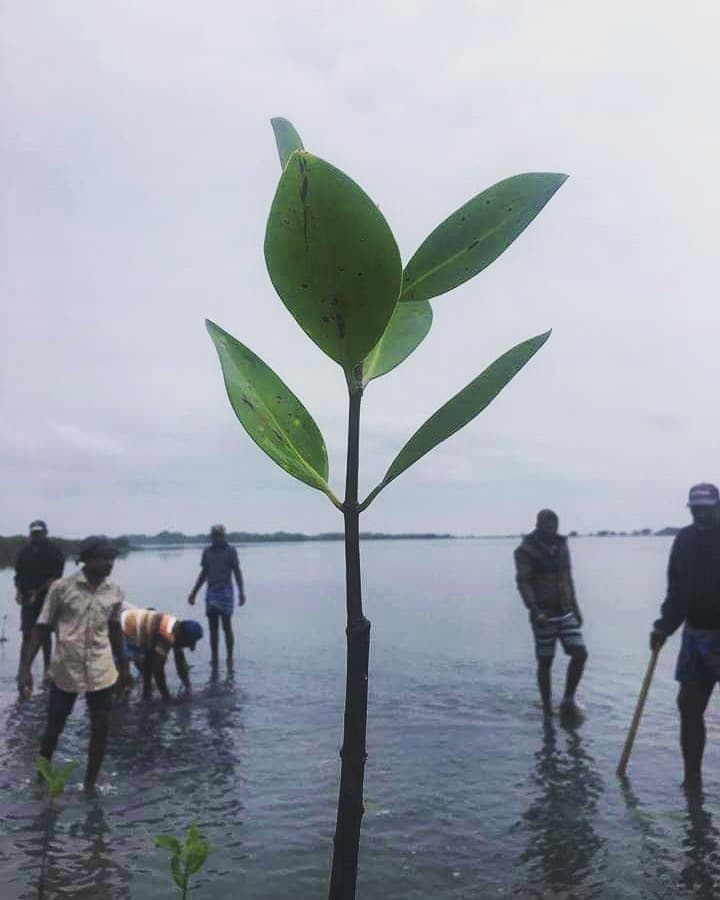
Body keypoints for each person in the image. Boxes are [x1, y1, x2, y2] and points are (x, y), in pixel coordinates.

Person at [17, 535, 132, 792]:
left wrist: (124, 668)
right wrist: (26, 668)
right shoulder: (61, 588)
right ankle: (40, 777)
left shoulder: (115, 591)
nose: (109, 563)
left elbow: (115, 630)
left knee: (101, 727)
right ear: (87, 559)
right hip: (66, 667)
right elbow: (42, 627)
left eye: (112, 559)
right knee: (54, 726)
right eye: (103, 558)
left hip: (101, 669)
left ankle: (90, 786)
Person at [650, 483, 720, 791]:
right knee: (688, 706)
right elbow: (677, 591)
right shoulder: (685, 539)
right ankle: (692, 778)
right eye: (696, 509)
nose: (701, 514)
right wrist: (664, 626)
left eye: (707, 508)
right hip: (696, 633)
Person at [514, 509, 587, 718]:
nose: (551, 529)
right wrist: (534, 610)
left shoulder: (562, 545)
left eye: (554, 525)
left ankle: (567, 700)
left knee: (580, 654)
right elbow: (523, 582)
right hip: (542, 614)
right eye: (547, 525)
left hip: (565, 611)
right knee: (546, 662)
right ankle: (546, 708)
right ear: (538, 525)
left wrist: (576, 607)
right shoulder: (525, 550)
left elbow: (568, 577)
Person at [188, 524, 246, 668]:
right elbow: (203, 574)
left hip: (226, 591)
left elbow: (237, 572)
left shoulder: (231, 551)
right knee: (213, 627)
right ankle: (214, 658)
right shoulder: (207, 552)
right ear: (212, 536)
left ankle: (230, 658)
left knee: (226, 626)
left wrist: (241, 592)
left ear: (224, 536)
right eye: (215, 535)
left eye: (220, 535)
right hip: (212, 591)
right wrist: (193, 593)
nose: (217, 538)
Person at [14, 520, 65, 679]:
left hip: (47, 598)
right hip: (28, 598)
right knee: (26, 634)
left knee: (44, 634)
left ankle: (47, 669)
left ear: (45, 532)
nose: (36, 535)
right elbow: (18, 574)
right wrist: (18, 591)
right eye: (33, 532)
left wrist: (38, 592)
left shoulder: (54, 551)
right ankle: (22, 669)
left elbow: (55, 578)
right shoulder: (24, 552)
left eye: (39, 532)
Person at [120, 605, 203, 702]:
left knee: (148, 662)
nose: (187, 647)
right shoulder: (166, 635)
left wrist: (188, 686)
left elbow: (180, 661)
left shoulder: (176, 627)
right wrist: (167, 698)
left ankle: (146, 695)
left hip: (130, 623)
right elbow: (158, 670)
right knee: (121, 677)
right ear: (183, 638)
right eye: (188, 644)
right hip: (122, 630)